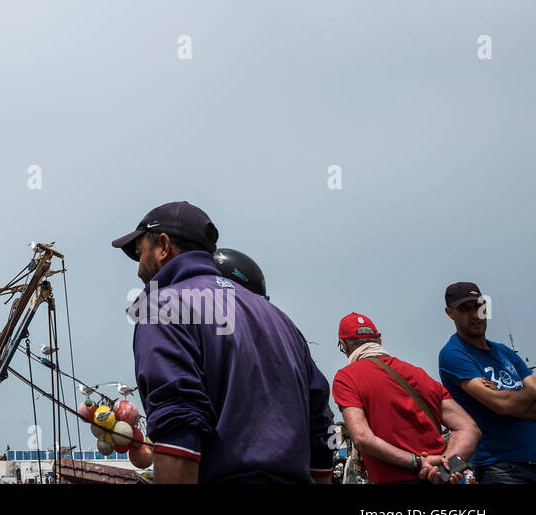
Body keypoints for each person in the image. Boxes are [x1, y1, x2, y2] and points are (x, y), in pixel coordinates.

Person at [112, 201, 333, 484]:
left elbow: (178, 420)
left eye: (141, 253)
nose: (139, 271)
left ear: (163, 246)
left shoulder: (163, 306)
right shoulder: (279, 319)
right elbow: (320, 427)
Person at [331, 312, 478, 483]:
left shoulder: (347, 378)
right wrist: (447, 468)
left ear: (344, 345)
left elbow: (362, 438)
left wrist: (418, 463)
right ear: (379, 339)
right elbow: (469, 428)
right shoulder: (420, 375)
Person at [438, 282, 536, 483]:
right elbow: (503, 404)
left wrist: (505, 400)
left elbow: (511, 400)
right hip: (502, 468)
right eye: (465, 309)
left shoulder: (504, 351)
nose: (475, 314)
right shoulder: (454, 354)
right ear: (450, 313)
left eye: (479, 306)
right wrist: (514, 399)